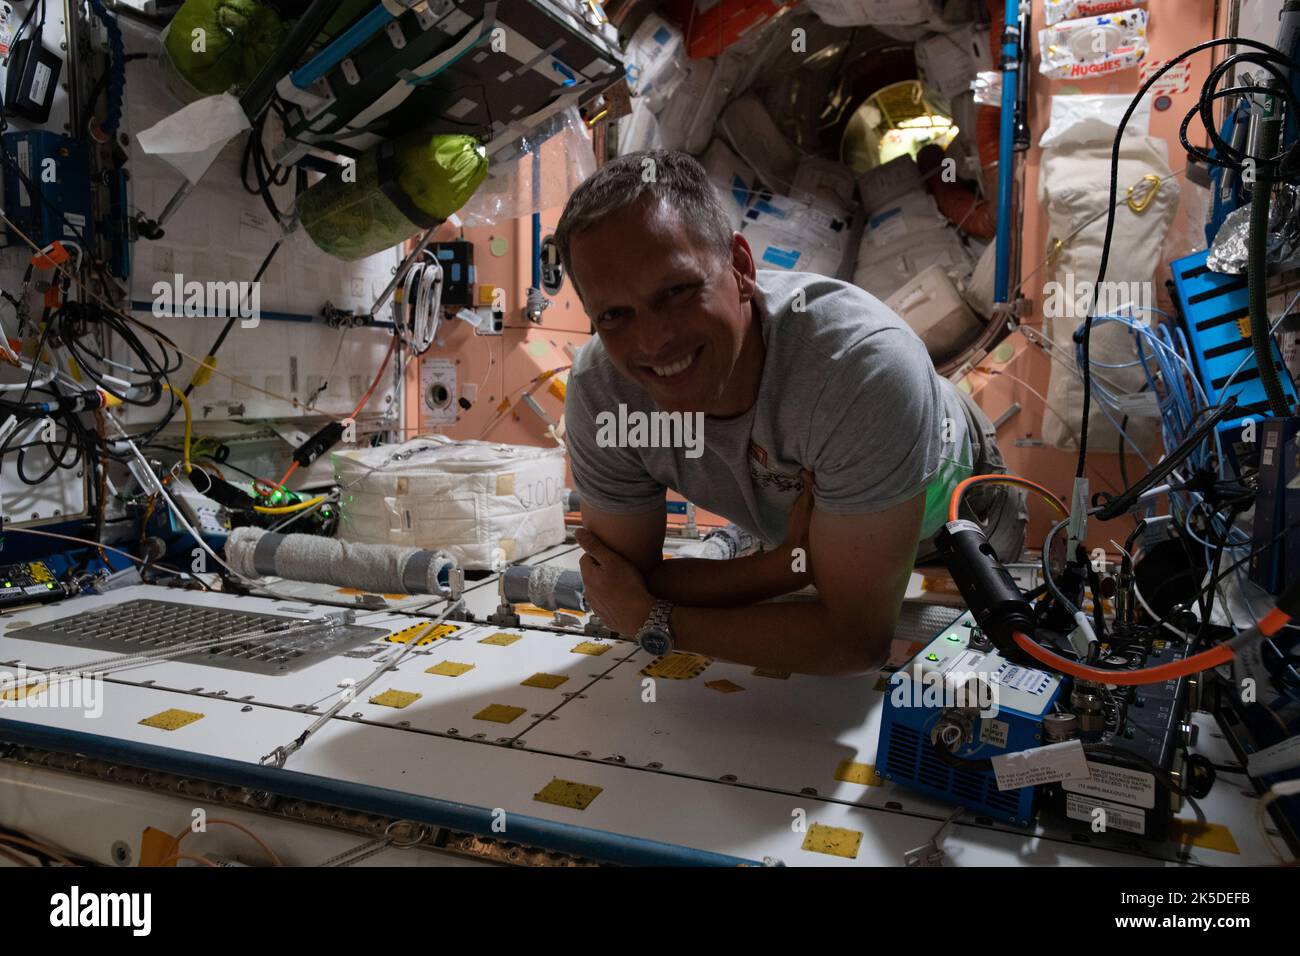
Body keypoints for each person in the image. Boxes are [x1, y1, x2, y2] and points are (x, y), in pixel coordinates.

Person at [556, 149, 1023, 676]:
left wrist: (657, 622)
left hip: (957, 526)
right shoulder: (603, 391)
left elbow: (854, 641)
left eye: (677, 292)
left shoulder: (857, 369)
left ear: (740, 267)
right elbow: (623, 582)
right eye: (615, 314)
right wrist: (779, 569)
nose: (654, 340)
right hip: (800, 542)